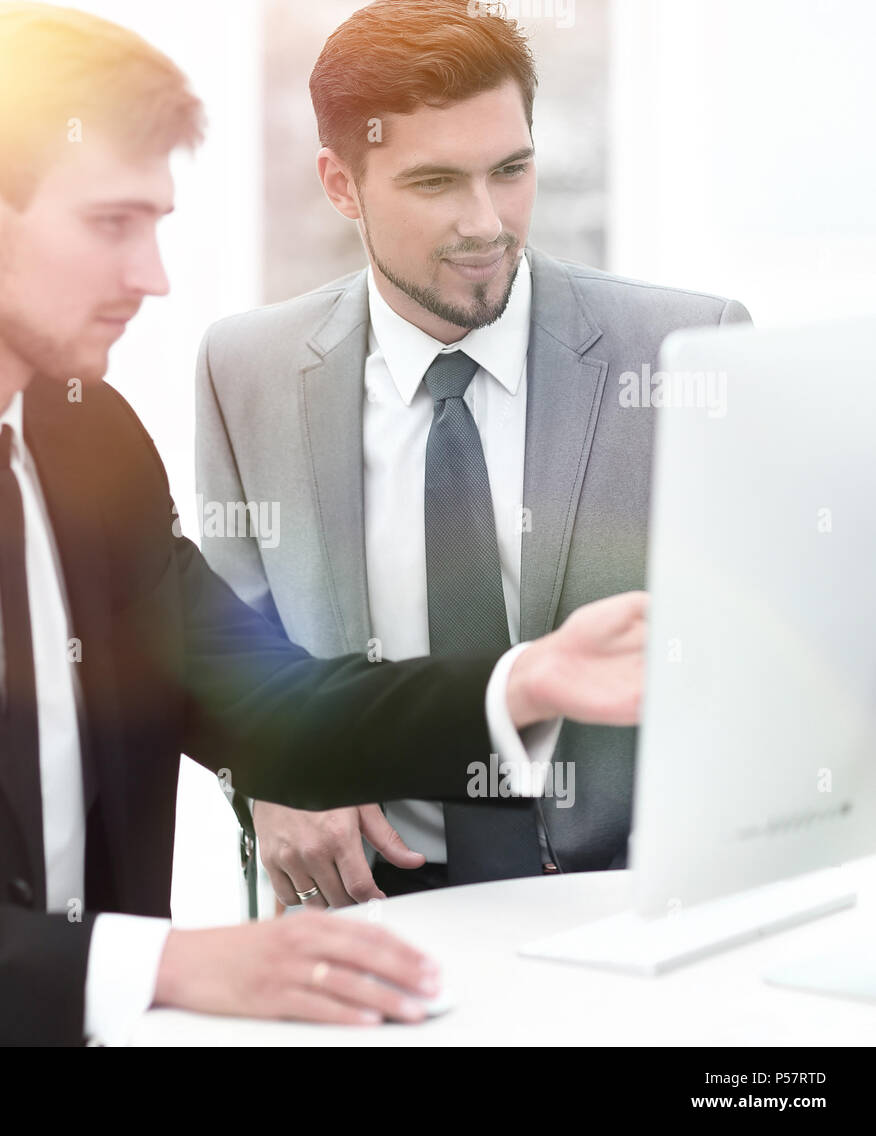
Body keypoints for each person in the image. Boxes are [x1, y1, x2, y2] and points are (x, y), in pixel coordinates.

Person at [0, 2, 646, 1047]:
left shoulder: (84, 436)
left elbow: (269, 703)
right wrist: (172, 962)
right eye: (112, 223)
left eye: (156, 223)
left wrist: (525, 679)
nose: (152, 275)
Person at [196, 0, 750, 906]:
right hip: (361, 917)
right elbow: (224, 655)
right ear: (341, 186)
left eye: (511, 170)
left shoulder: (688, 349)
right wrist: (262, 768)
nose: (486, 223)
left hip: (622, 907)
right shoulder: (242, 367)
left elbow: (755, 667)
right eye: (435, 183)